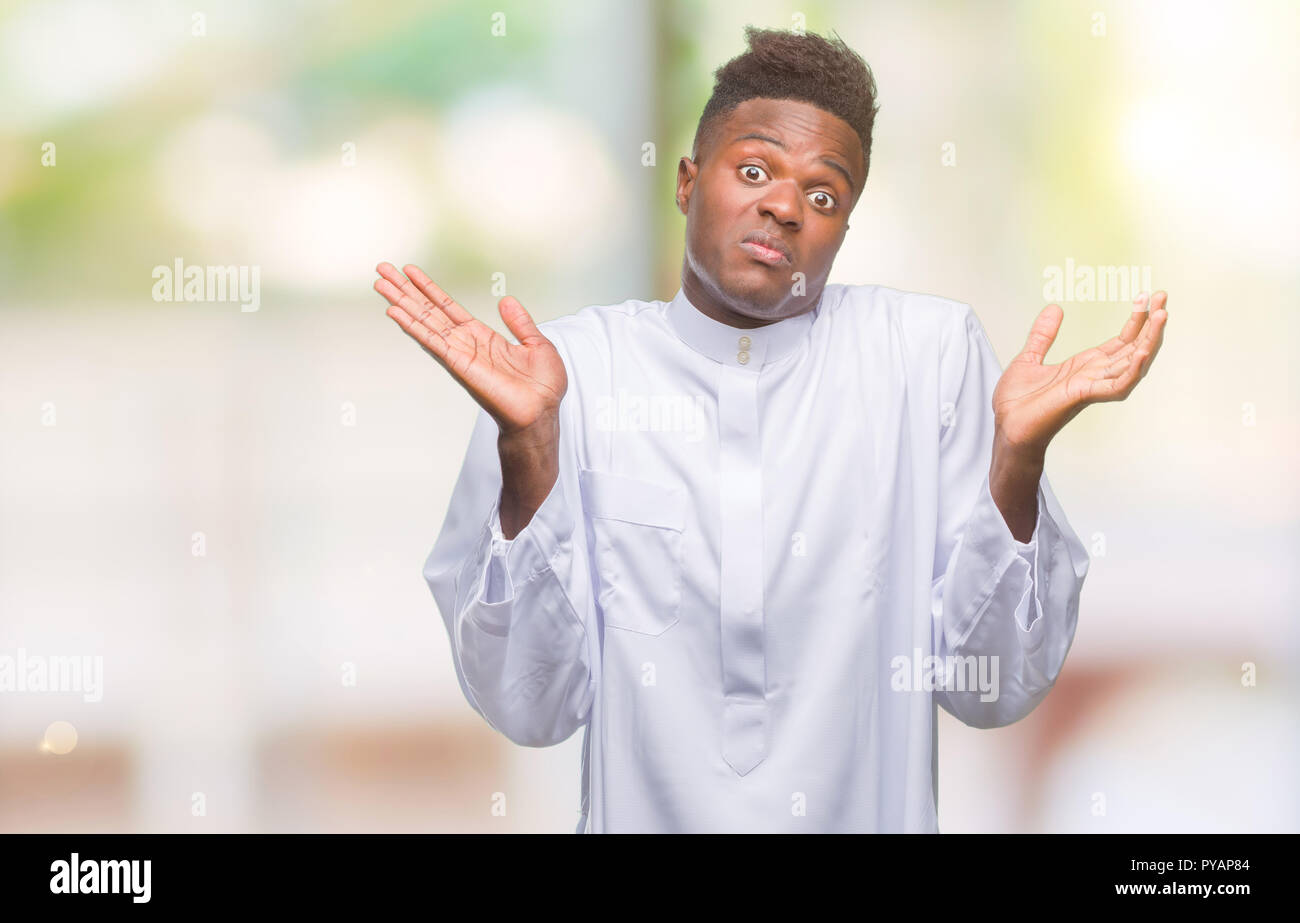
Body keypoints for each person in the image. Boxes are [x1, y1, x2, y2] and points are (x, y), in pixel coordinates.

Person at [372, 26, 1167, 833]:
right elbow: (532, 705)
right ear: (687, 183)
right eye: (754, 170)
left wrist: (1017, 467)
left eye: (824, 195)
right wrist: (529, 452)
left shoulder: (924, 356)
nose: (785, 206)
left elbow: (987, 687)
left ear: (843, 229)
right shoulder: (567, 373)